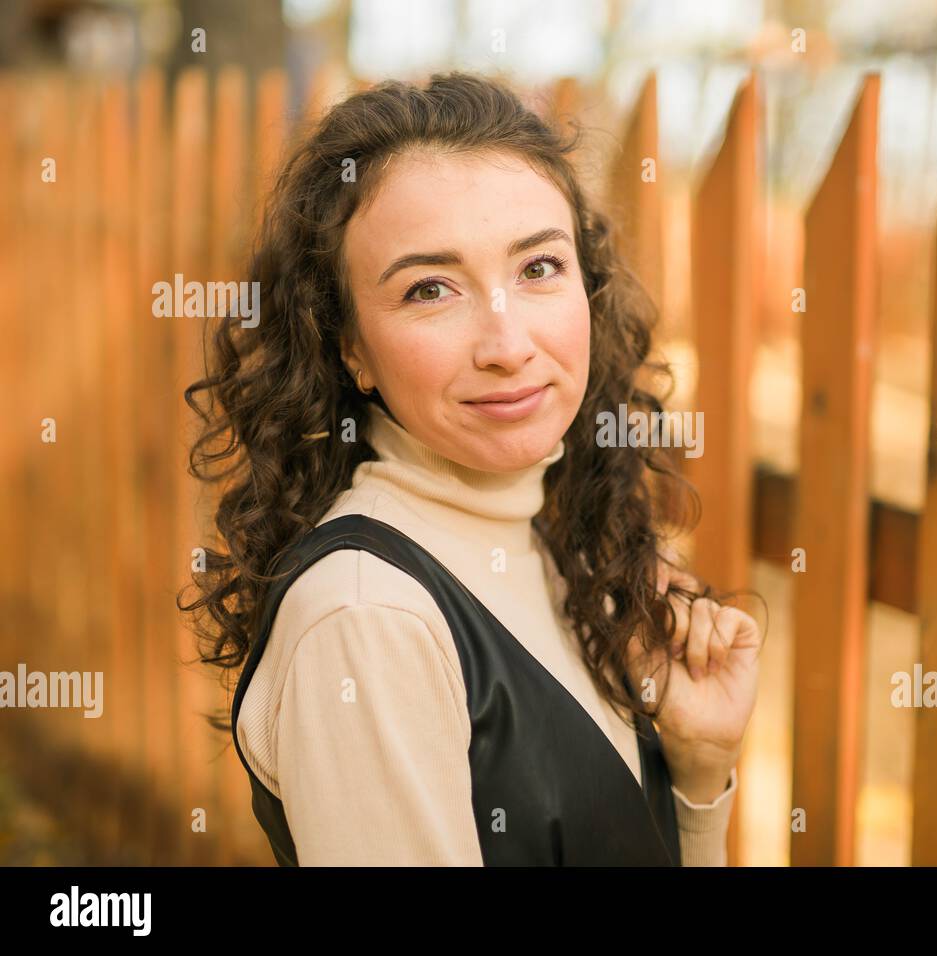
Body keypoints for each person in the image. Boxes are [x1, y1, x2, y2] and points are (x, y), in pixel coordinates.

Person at [181, 71, 763, 866]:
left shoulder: (560, 544)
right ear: (350, 346)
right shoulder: (368, 618)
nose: (508, 345)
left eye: (538, 269)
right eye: (430, 289)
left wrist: (698, 774)